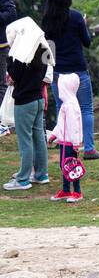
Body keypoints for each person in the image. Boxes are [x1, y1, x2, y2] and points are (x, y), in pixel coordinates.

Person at [41, 0, 99, 161]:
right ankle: (90, 149)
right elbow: (87, 42)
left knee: (63, 109)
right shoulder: (76, 17)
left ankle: (65, 148)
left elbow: (47, 51)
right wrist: (83, 24)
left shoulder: (47, 21)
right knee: (85, 109)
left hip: (58, 72)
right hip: (78, 70)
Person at [3, 18, 54, 192]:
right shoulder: (41, 48)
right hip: (38, 99)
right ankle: (41, 174)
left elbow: (14, 74)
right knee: (38, 137)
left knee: (25, 140)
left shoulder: (21, 53)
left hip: (24, 102)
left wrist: (9, 60)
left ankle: (23, 178)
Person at [50, 73, 84, 203]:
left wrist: (76, 143)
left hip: (71, 144)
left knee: (72, 167)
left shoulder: (71, 106)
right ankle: (65, 190)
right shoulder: (65, 104)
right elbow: (61, 124)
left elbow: (74, 126)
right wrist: (54, 135)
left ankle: (77, 192)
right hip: (64, 142)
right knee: (64, 166)